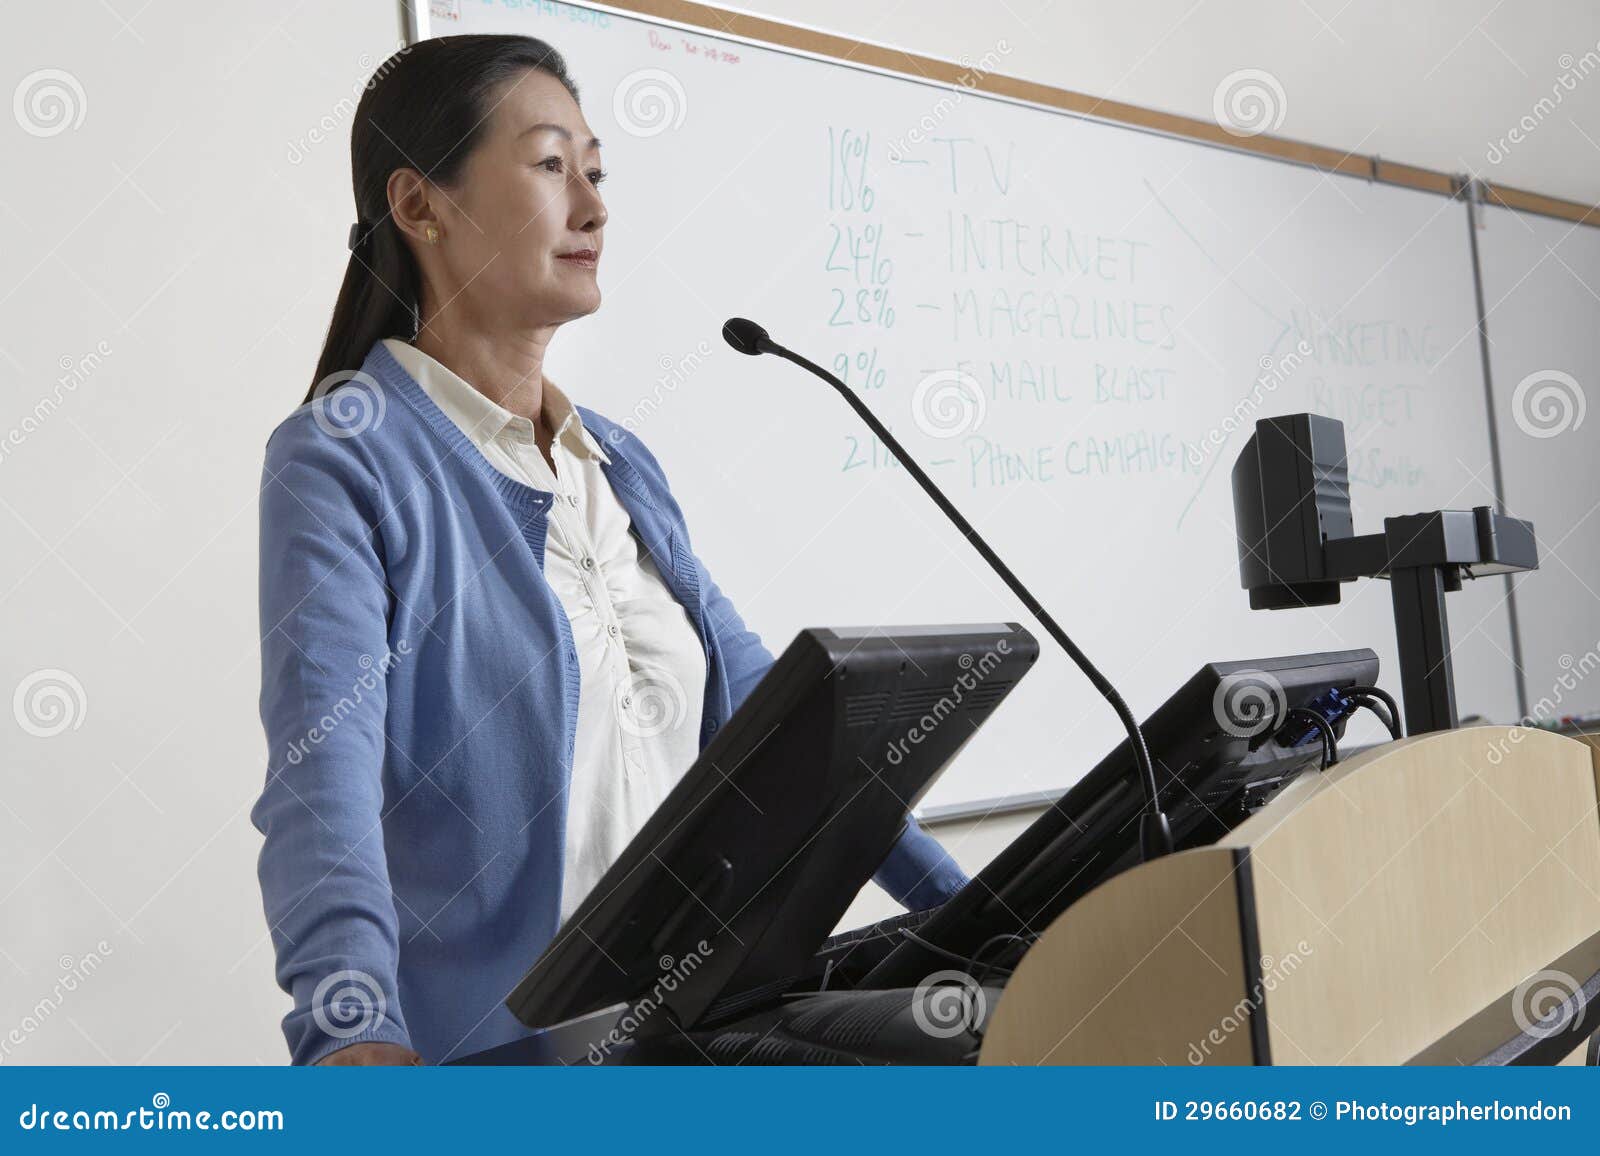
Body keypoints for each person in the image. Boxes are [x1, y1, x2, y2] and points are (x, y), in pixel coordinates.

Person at [251, 34, 968, 1067]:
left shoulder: (617, 463)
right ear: (419, 207)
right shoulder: (343, 457)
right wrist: (348, 1033)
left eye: (596, 171)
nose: (593, 206)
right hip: (520, 1059)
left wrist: (973, 911)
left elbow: (790, 732)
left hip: (699, 1019)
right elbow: (322, 782)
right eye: (551, 166)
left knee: (994, 1034)